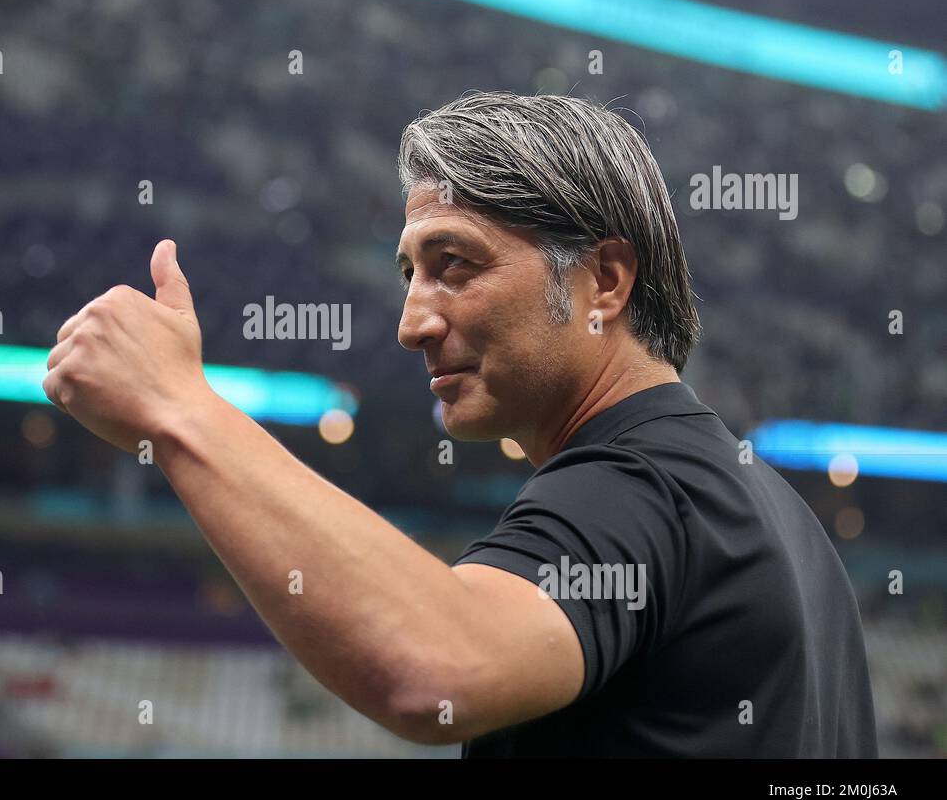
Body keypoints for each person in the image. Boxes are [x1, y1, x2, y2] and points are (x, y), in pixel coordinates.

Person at [43, 91, 877, 757]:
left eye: (455, 265)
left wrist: (180, 409)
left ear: (606, 281)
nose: (412, 322)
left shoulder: (635, 486)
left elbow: (435, 669)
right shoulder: (779, 518)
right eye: (410, 274)